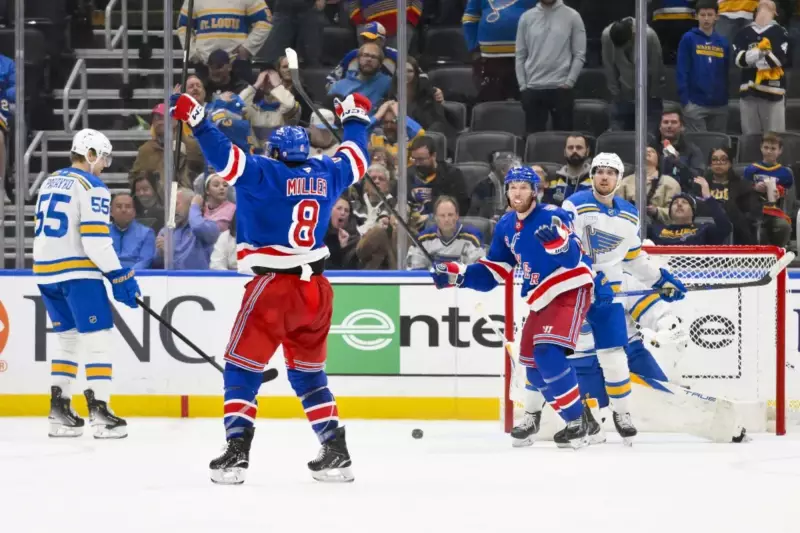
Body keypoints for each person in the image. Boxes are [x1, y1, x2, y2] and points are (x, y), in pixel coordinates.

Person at [169, 90, 370, 483]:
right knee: (308, 375)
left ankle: (237, 451)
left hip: (274, 287)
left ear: (275, 152)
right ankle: (335, 448)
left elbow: (224, 158)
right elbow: (357, 156)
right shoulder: (327, 171)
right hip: (316, 290)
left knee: (241, 367)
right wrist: (356, 118)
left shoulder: (264, 171)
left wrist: (197, 118)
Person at [430, 166, 602, 449]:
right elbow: (493, 273)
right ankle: (583, 418)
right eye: (513, 187)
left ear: (535, 191)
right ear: (506, 192)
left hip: (570, 285)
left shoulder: (553, 215)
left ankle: (577, 424)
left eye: (524, 186)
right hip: (541, 296)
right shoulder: (507, 225)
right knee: (532, 367)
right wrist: (457, 275)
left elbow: (572, 258)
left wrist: (558, 244)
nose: (518, 192)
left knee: (547, 352)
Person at [562, 152, 688, 445]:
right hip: (577, 297)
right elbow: (567, 249)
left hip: (609, 301)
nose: (604, 176)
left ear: (619, 179)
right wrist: (591, 278)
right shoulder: (575, 205)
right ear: (591, 175)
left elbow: (634, 258)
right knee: (580, 357)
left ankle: (622, 414)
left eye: (610, 172)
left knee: (614, 357)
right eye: (599, 171)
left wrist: (660, 280)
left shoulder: (629, 213)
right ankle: (584, 418)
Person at [32, 128, 140, 439]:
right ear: (90, 154)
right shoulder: (92, 185)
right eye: (103, 158)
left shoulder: (50, 180)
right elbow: (95, 241)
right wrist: (119, 276)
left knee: (68, 340)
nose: (105, 165)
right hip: (78, 273)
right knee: (98, 340)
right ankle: (101, 413)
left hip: (45, 272)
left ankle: (59, 410)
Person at [512, 272, 690, 447]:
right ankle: (541, 416)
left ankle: (620, 414)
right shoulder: (555, 283)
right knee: (540, 362)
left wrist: (668, 325)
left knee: (664, 398)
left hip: (627, 352)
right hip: (582, 364)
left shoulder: (618, 278)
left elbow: (651, 308)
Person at [733, 0, 789, 134]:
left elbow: (778, 59)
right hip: (748, 91)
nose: (765, 5)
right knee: (750, 138)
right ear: (755, 11)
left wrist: (751, 58)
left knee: (775, 138)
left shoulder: (781, 32)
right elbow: (739, 60)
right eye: (762, 5)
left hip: (773, 91)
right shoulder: (743, 33)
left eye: (769, 6)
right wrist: (760, 52)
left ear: (775, 13)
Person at [647, 189, 733, 245]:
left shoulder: (704, 230)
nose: (679, 204)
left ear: (693, 212)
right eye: (675, 203)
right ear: (669, 212)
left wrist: (709, 199)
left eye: (684, 202)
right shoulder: (655, 230)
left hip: (694, 272)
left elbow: (725, 227)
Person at [109, 193, 156, 270]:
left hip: (137, 277)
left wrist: (126, 275)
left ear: (134, 212)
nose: (123, 210)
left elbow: (145, 262)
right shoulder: (103, 233)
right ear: (111, 212)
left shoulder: (147, 233)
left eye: (127, 206)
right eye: (119, 206)